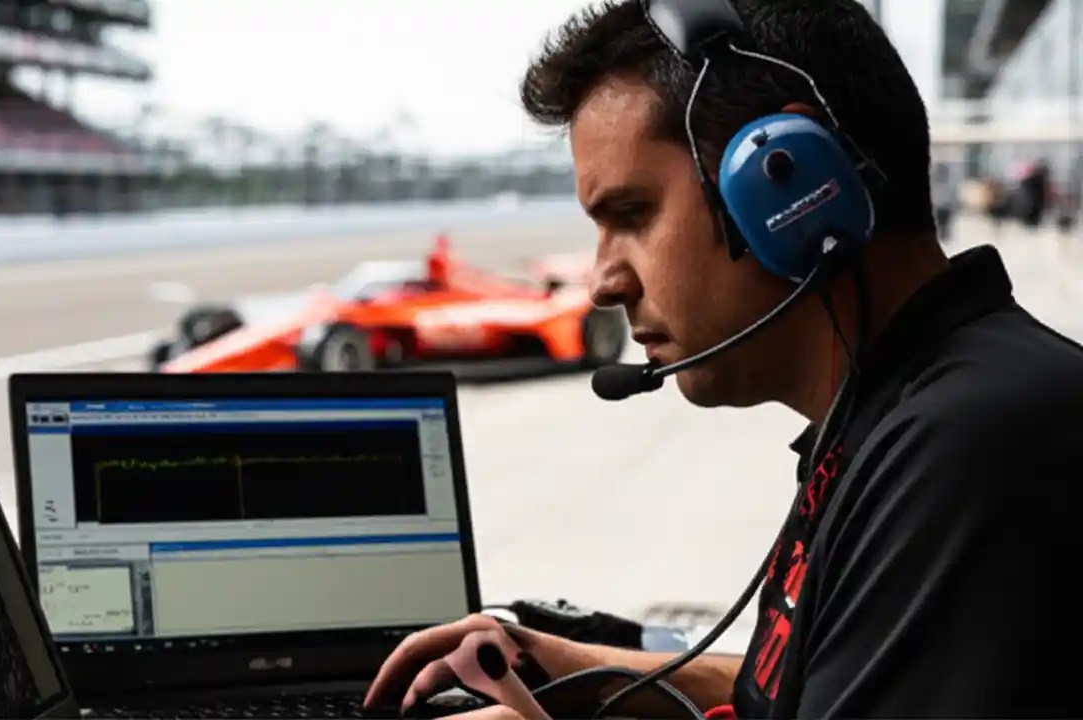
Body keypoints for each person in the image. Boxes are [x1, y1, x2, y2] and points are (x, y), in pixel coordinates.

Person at [363, 0, 1083, 718]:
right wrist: (575, 665)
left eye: (632, 216)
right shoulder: (893, 417)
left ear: (789, 182)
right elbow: (807, 687)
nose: (603, 280)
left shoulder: (968, 445)